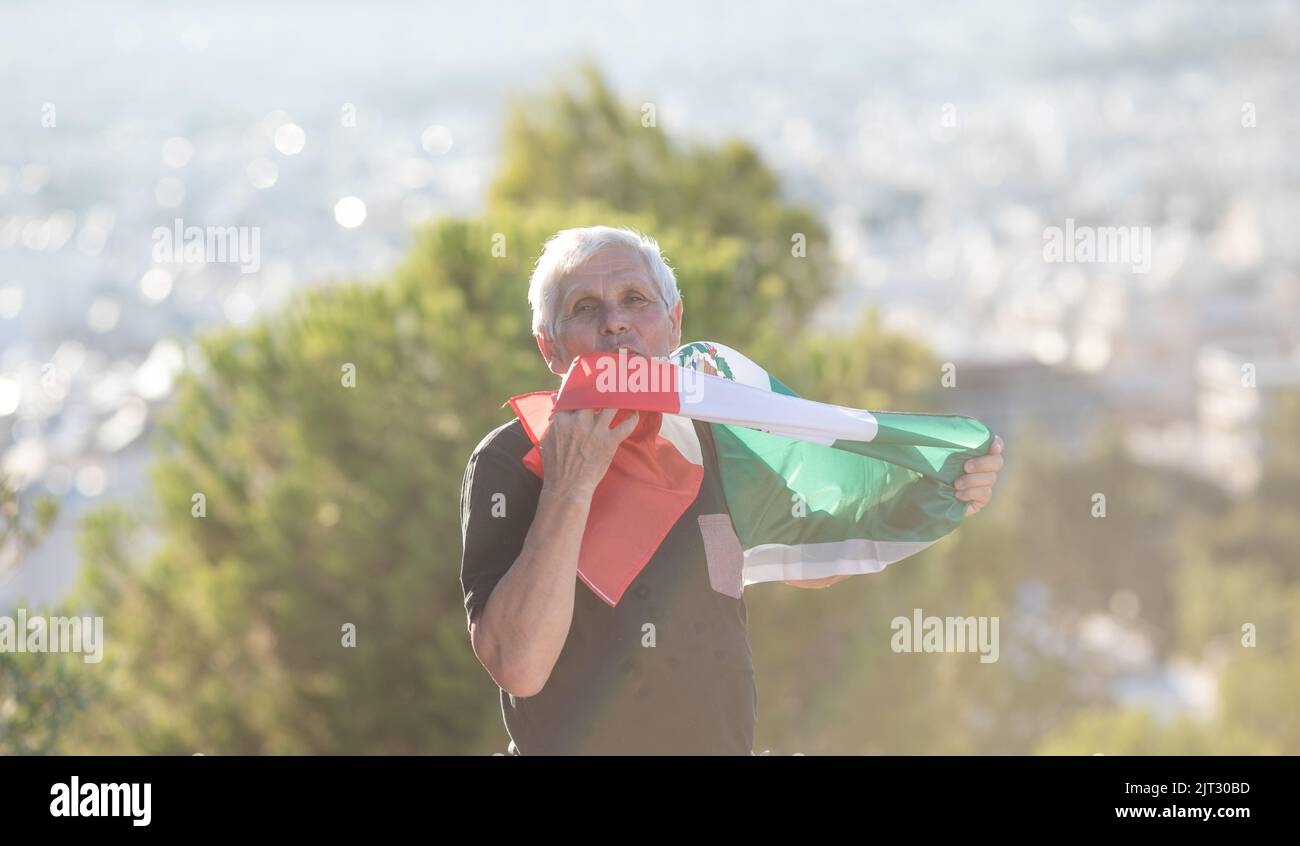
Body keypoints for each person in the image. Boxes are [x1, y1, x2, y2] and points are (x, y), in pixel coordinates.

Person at [459, 225, 1004, 754]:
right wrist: (571, 486)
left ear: (673, 324)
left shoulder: (717, 433)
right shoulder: (511, 459)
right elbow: (519, 667)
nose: (615, 323)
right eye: (584, 307)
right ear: (549, 347)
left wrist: (942, 492)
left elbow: (812, 549)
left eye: (635, 298)